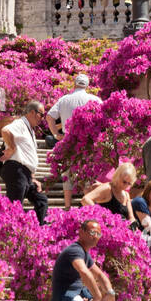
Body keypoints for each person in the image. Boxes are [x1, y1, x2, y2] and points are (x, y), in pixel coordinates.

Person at [46, 73, 100, 206]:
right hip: (87, 142)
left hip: (68, 140)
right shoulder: (95, 99)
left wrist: (56, 134)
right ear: (87, 86)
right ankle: (88, 205)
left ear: (74, 84)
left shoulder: (64, 99)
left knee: (67, 175)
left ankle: (67, 206)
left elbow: (49, 116)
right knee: (86, 174)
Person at [0, 101, 49, 222]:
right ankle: (9, 232)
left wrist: (33, 178)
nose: (42, 119)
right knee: (15, 206)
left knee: (41, 200)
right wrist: (12, 148)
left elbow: (28, 155)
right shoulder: (20, 123)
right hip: (16, 170)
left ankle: (40, 228)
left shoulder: (30, 129)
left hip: (26, 174)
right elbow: (5, 130)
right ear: (32, 112)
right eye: (41, 115)